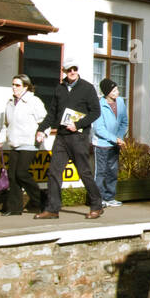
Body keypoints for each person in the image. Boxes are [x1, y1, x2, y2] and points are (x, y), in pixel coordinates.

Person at [34, 63, 104, 219]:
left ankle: (97, 206)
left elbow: (96, 112)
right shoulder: (59, 88)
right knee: (53, 172)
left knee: (84, 172)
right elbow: (52, 113)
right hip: (61, 136)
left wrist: (78, 124)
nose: (72, 72)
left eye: (75, 69)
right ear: (64, 71)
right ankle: (52, 209)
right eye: (69, 70)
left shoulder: (87, 88)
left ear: (77, 70)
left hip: (78, 137)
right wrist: (41, 128)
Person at [0, 74, 46, 215]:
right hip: (14, 143)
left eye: (17, 85)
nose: (14, 87)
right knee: (12, 176)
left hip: (29, 142)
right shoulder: (10, 103)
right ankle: (14, 208)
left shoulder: (34, 101)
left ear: (26, 87)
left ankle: (43, 201)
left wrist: (43, 133)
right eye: (13, 84)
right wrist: (0, 140)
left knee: (21, 173)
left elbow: (45, 120)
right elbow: (6, 124)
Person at [91, 78, 129, 207]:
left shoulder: (121, 103)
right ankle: (98, 199)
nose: (117, 92)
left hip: (114, 144)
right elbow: (98, 128)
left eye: (117, 89)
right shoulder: (99, 105)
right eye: (114, 90)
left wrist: (119, 137)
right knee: (100, 172)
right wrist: (114, 138)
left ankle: (109, 197)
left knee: (112, 171)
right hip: (101, 144)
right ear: (107, 92)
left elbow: (124, 122)